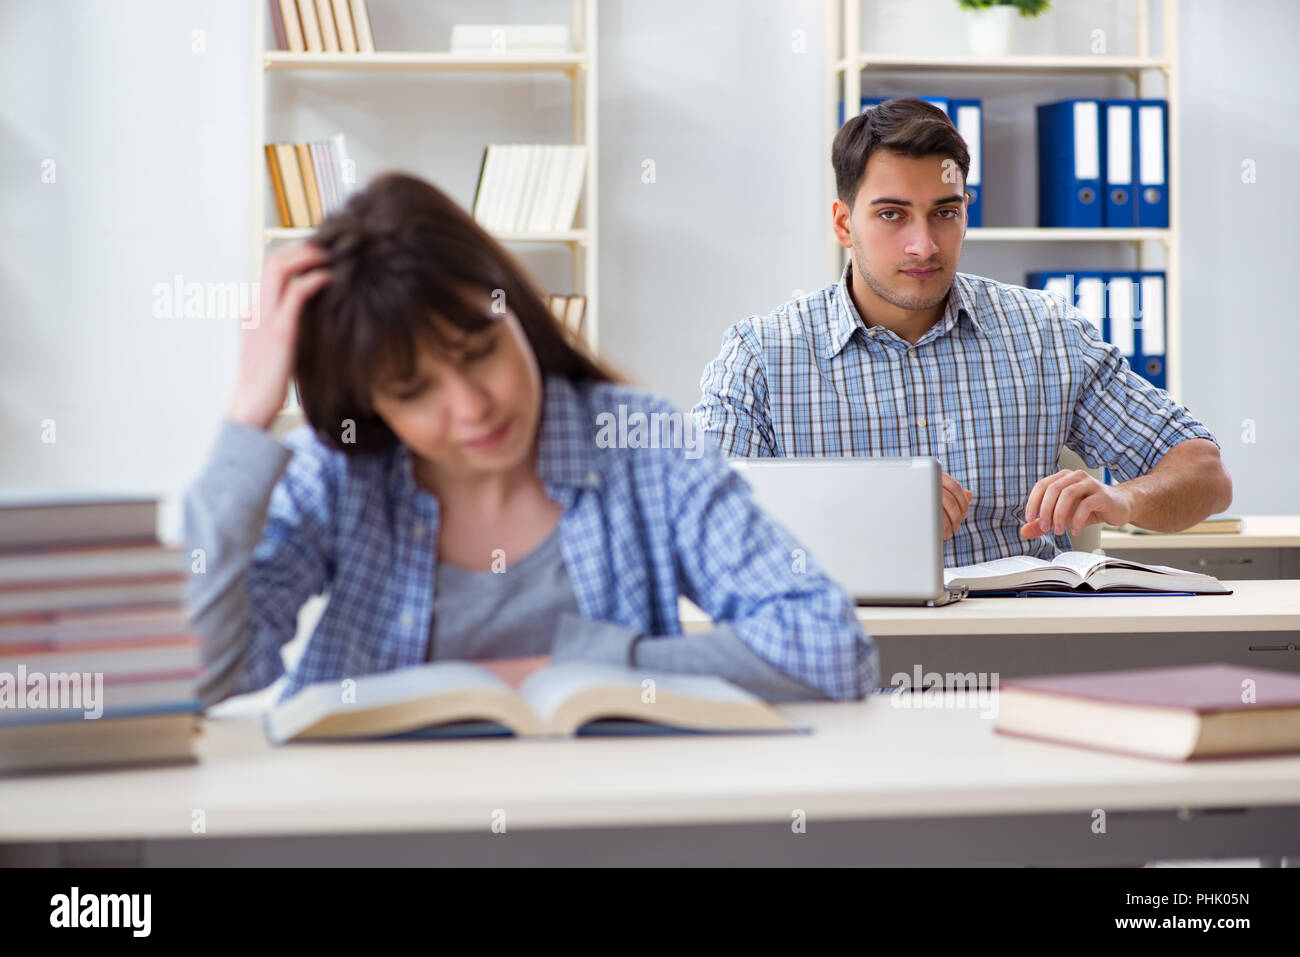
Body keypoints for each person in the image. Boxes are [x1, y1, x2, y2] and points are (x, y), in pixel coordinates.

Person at [184, 172, 875, 710]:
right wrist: (249, 416)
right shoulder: (338, 472)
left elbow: (829, 647)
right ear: (371, 402)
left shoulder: (639, 442)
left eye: (478, 349)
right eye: (412, 390)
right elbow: (197, 673)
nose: (470, 405)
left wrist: (573, 670)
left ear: (511, 304)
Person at [693, 97, 1232, 566]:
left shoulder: (1046, 333)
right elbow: (697, 521)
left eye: (944, 213)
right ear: (842, 223)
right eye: (891, 215)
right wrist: (863, 508)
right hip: (843, 646)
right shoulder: (762, 353)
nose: (923, 245)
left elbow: (1206, 472)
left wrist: (1126, 500)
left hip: (1020, 645)